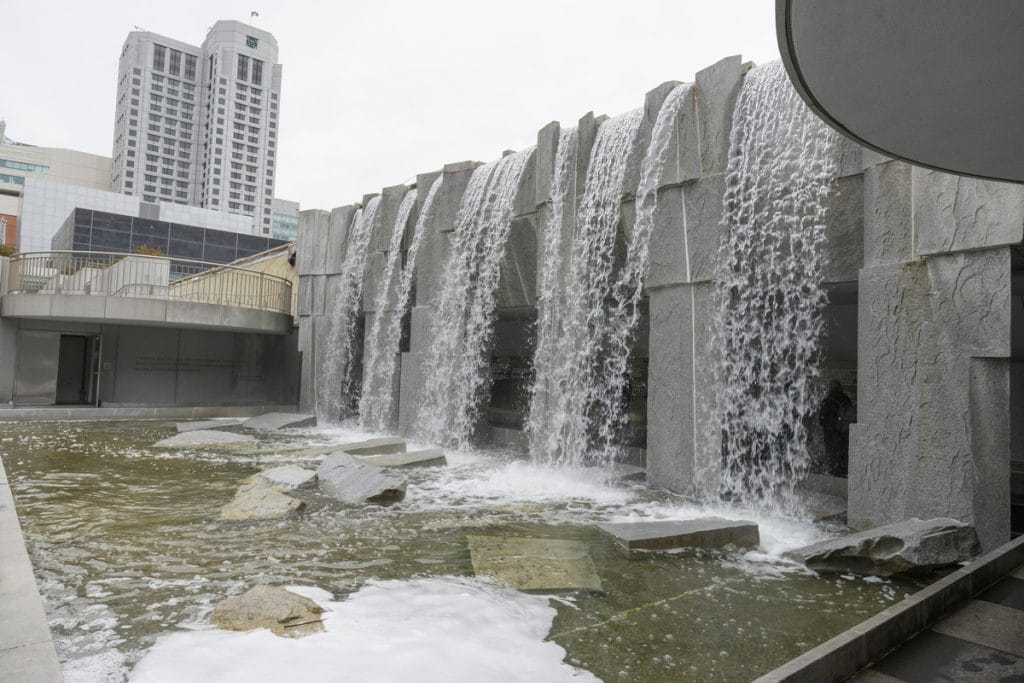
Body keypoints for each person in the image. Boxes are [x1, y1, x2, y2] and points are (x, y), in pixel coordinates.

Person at [819, 380, 853, 477]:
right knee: (844, 450)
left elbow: (822, 419)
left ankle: (834, 469)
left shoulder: (828, 400)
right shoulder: (846, 399)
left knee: (832, 451)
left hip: (832, 433)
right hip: (845, 432)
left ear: (831, 389)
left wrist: (829, 426)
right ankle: (844, 469)